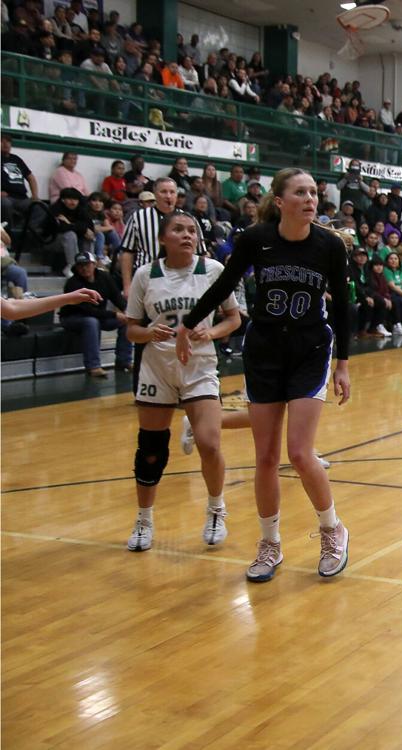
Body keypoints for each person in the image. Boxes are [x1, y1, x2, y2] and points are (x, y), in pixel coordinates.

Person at [177, 168, 352, 583]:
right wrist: (188, 322)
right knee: (266, 458)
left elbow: (344, 305)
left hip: (310, 350)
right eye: (300, 192)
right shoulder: (257, 239)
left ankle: (332, 529)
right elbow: (224, 287)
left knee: (299, 452)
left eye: (314, 192)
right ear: (280, 200)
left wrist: (343, 363)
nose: (310, 199)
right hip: (265, 351)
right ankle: (269, 543)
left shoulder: (329, 245)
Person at [124, 212, 241, 552]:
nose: (187, 235)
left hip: (199, 365)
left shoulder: (214, 271)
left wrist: (212, 331)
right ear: (163, 238)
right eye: (178, 229)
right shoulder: (146, 275)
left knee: (210, 442)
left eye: (192, 230)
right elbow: (131, 329)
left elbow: (233, 319)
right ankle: (144, 519)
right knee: (150, 450)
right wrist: (148, 331)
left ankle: (216, 509)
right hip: (158, 366)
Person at [119, 177, 207, 297]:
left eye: (172, 192)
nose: (168, 196)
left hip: (183, 282)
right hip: (147, 280)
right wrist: (127, 285)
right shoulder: (139, 217)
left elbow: (201, 254)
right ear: (155, 194)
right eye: (164, 192)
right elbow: (127, 253)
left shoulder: (189, 219)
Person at [60, 251, 132, 377]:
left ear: (94, 264)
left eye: (87, 265)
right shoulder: (73, 283)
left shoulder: (104, 277)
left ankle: (124, 361)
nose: (84, 268)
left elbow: (116, 297)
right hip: (73, 317)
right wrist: (114, 314)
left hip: (98, 316)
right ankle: (93, 366)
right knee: (91, 322)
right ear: (76, 268)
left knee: (126, 321)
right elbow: (87, 310)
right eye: (80, 266)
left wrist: (128, 312)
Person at [2, 134, 39, 226]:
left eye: (8, 141)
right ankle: (9, 233)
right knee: (4, 203)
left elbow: (31, 178)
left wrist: (35, 196)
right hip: (6, 198)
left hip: (22, 198)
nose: (5, 144)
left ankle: (24, 230)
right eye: (1, 141)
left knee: (41, 207)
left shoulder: (16, 159)